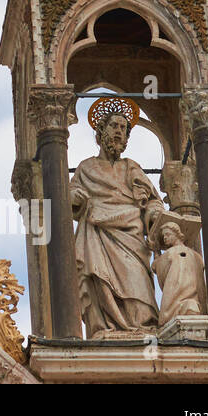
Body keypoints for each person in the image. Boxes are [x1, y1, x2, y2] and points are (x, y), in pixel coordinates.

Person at [70, 102, 164, 337]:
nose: (119, 131)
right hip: (98, 232)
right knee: (99, 279)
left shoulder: (131, 167)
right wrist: (76, 198)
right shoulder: (86, 167)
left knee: (138, 286)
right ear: (101, 132)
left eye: (123, 128)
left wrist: (153, 213)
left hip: (130, 236)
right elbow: (69, 198)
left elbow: (154, 201)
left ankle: (142, 326)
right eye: (114, 126)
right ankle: (104, 327)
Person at [151, 220, 208, 325]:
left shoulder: (171, 253)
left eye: (168, 234)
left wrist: (156, 250)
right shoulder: (197, 256)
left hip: (175, 300)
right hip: (195, 302)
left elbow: (156, 266)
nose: (165, 238)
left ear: (177, 234)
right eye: (163, 236)